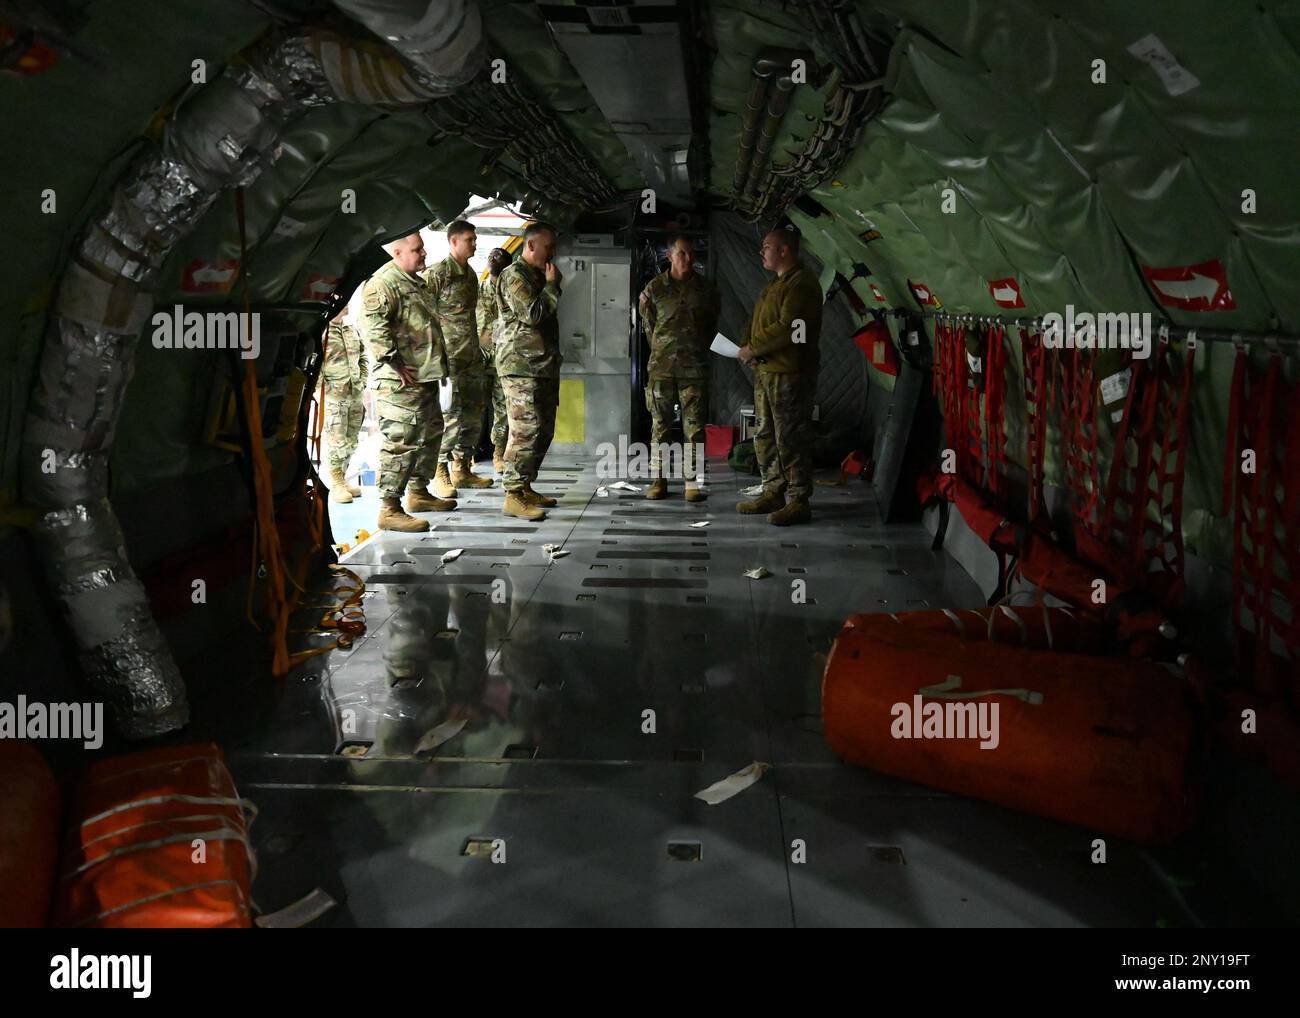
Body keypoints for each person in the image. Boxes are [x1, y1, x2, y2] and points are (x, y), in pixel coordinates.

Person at [358, 232, 457, 533]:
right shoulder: (383, 284)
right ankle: (389, 508)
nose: (424, 254)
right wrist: (393, 361)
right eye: (417, 250)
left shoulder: (415, 281)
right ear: (398, 253)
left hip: (423, 376)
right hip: (400, 383)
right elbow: (372, 326)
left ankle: (418, 493)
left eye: (423, 248)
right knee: (401, 441)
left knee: (429, 435)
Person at [735, 225, 823, 526]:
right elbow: (756, 321)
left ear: (785, 250)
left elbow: (789, 327)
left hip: (790, 373)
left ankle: (799, 500)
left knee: (791, 437)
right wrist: (749, 348)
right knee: (765, 434)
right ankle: (773, 490)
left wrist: (754, 348)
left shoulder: (801, 285)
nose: (762, 252)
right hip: (768, 370)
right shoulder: (775, 285)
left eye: (767, 247)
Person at [637, 235, 720, 502]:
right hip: (661, 369)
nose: (688, 259)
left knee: (694, 428)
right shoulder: (655, 289)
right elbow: (648, 326)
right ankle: (658, 479)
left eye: (691, 254)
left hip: (694, 368)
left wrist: (693, 348)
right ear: (670, 256)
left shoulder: (706, 290)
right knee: (660, 426)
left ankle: (691, 482)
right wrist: (664, 348)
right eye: (682, 254)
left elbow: (710, 325)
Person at [495, 222, 563, 521]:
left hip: (542, 365)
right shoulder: (514, 276)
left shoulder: (536, 274)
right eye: (549, 247)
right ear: (531, 246)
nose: (553, 254)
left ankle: (524, 486)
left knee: (544, 429)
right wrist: (552, 286)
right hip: (520, 366)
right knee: (526, 430)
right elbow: (533, 314)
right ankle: (512, 494)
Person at [424, 220, 493, 498]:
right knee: (450, 416)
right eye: (469, 239)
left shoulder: (470, 275)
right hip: (449, 359)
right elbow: (425, 318)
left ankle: (462, 469)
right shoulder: (438, 274)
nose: (474, 243)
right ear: (453, 242)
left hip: (471, 356)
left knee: (473, 414)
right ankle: (440, 471)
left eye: (475, 239)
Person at [321, 304, 367, 504]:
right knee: (336, 440)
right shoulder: (323, 332)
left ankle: (344, 477)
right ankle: (336, 483)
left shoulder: (351, 329)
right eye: (343, 303)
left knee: (351, 439)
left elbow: (363, 356)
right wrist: (322, 389)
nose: (347, 305)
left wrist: (363, 380)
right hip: (334, 396)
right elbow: (316, 363)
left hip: (355, 392)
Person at [477, 246, 513, 474]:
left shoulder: (512, 291)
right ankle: (462, 461)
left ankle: (498, 453)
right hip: (479, 358)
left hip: (503, 358)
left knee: (503, 410)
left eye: (498, 257)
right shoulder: (477, 290)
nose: (493, 259)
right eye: (491, 256)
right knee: (472, 409)